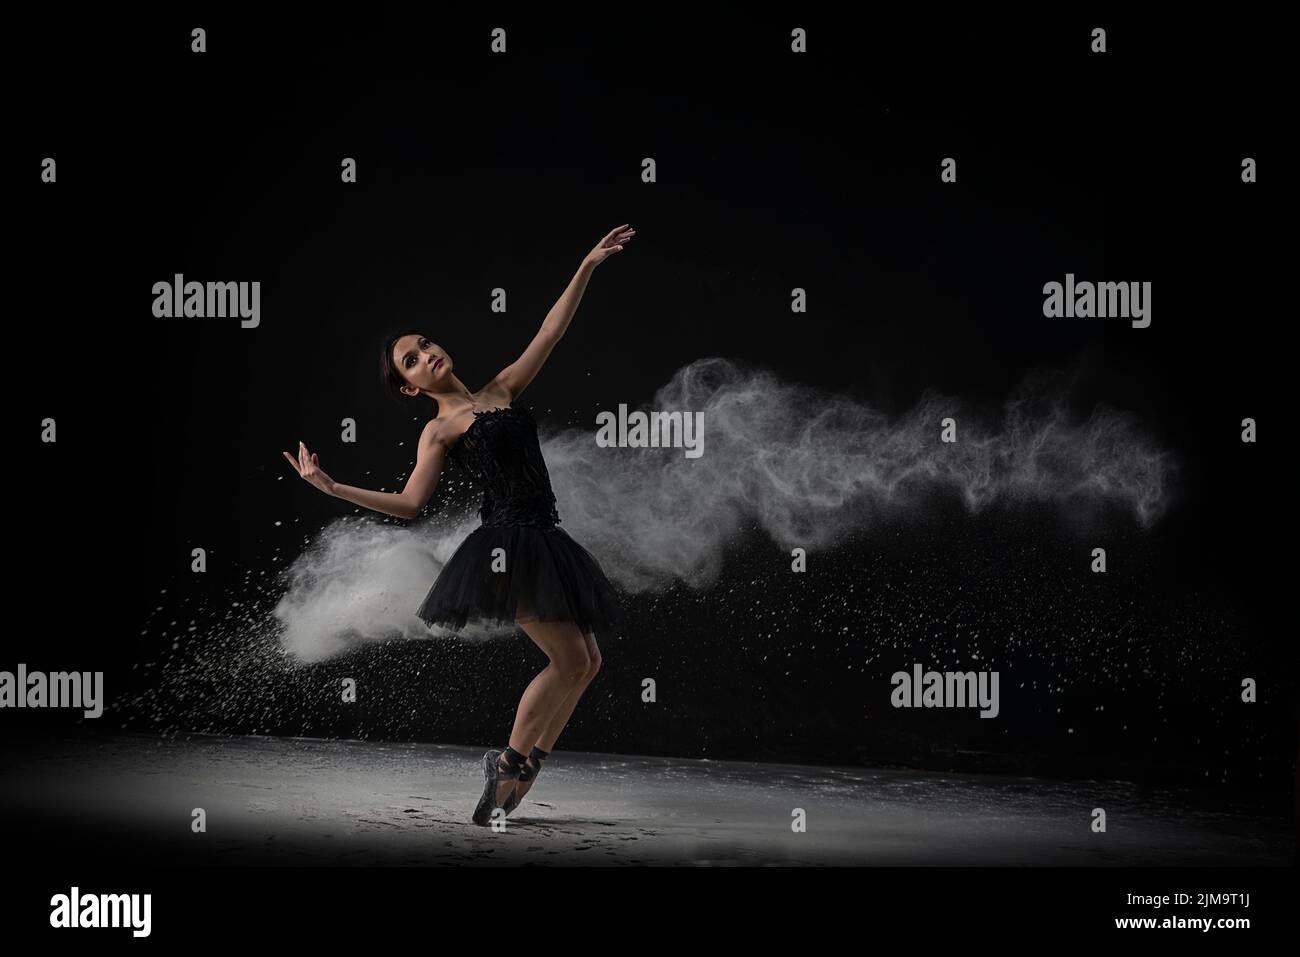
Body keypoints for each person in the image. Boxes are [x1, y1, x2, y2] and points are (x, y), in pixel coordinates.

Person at [283, 224, 634, 825]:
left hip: (547, 536)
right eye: (412, 361)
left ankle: (530, 763)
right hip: (508, 547)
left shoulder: (502, 388)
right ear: (410, 387)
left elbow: (550, 331)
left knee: (588, 662)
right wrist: (334, 488)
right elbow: (409, 503)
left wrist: (586, 266)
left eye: (425, 344)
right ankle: (507, 761)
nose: (427, 355)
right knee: (571, 662)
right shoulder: (439, 429)